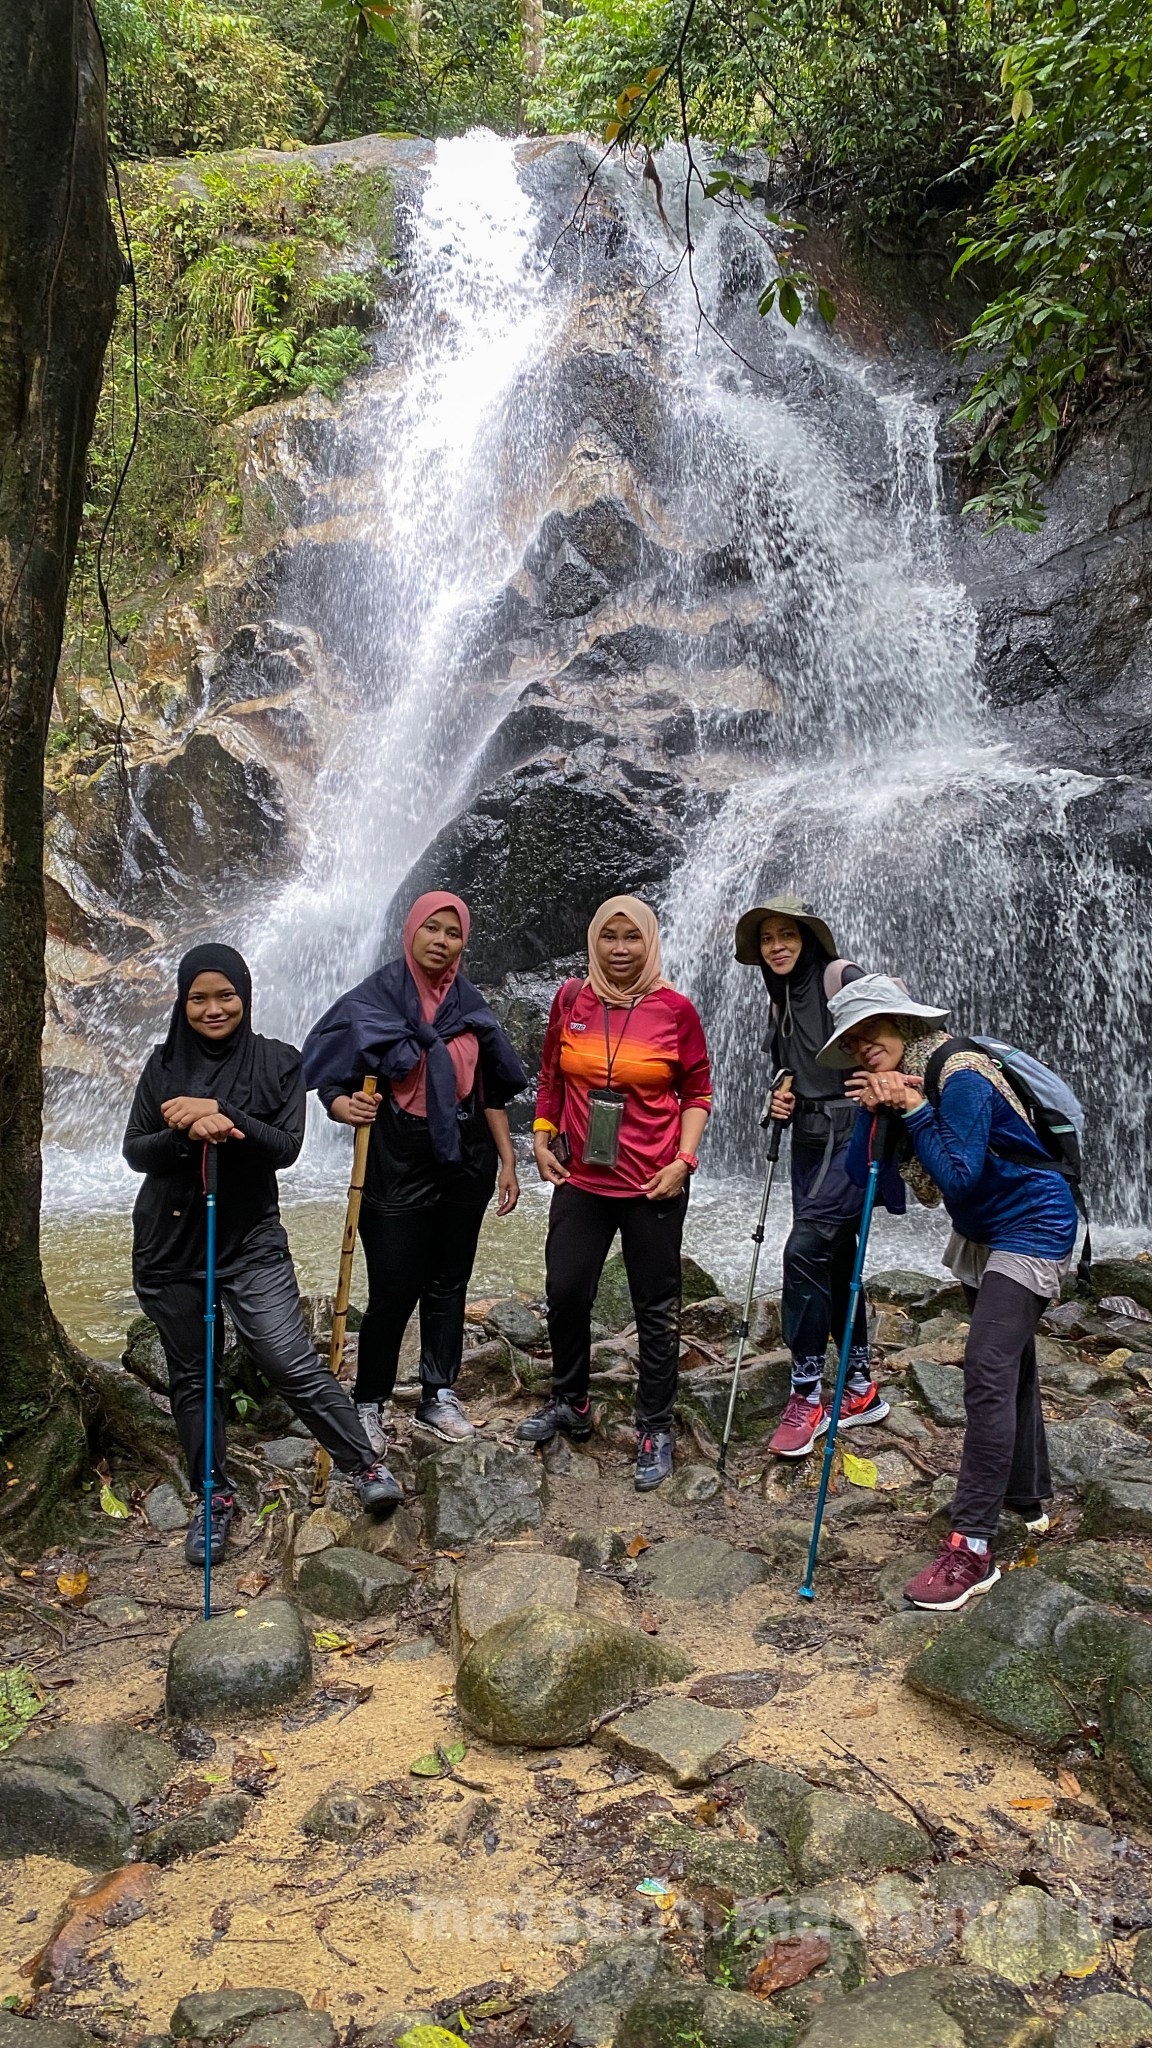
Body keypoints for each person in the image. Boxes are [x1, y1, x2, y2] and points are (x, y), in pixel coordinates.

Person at [124, 943, 399, 1570]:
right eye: (199, 997)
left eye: (226, 996)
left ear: (245, 996)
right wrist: (182, 1131)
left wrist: (221, 1114)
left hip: (249, 1240)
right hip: (170, 1245)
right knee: (193, 1378)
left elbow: (284, 1147)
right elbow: (135, 1151)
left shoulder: (279, 1062)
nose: (213, 1008)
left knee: (287, 1357)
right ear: (182, 1001)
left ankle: (365, 1463)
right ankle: (213, 1499)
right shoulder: (162, 1064)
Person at [819, 972, 1078, 1610]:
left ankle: (973, 1546)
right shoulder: (906, 1083)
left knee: (986, 1370)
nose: (859, 1046)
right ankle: (1024, 1496)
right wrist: (871, 1113)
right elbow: (865, 1179)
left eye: (867, 1031)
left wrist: (911, 1107)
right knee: (1011, 1368)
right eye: (848, 1042)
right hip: (982, 1235)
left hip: (1034, 1222)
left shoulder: (958, 1074)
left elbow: (958, 1175)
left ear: (903, 1023)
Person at [302, 893, 527, 1449]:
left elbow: (494, 1088)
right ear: (411, 931)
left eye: (453, 932)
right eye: (433, 928)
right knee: (395, 1286)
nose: (442, 940)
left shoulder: (470, 1002)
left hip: (465, 1155)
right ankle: (370, 1400)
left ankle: (438, 1394)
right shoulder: (375, 997)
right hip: (396, 1156)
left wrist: (507, 1159)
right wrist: (340, 1106)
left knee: (448, 1282)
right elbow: (332, 1075)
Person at [521, 895, 712, 1491]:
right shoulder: (571, 1000)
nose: (621, 949)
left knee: (655, 1308)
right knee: (566, 1289)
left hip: (654, 1182)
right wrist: (542, 1134)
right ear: (595, 941)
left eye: (632, 938)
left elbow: (698, 1093)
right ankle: (571, 1399)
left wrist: (684, 1161)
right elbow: (552, 1074)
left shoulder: (675, 1010)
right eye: (610, 937)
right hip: (583, 1178)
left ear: (648, 943)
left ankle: (654, 1424)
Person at [734, 895, 893, 1458]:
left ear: (808, 940)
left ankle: (806, 1391)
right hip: (807, 1139)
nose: (777, 946)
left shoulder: (838, 977)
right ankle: (858, 1385)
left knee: (803, 1250)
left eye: (788, 936)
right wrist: (780, 1093)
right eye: (768, 939)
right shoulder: (777, 997)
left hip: (851, 1137)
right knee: (836, 1252)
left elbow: (897, 1029)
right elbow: (790, 1063)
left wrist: (890, 1084)